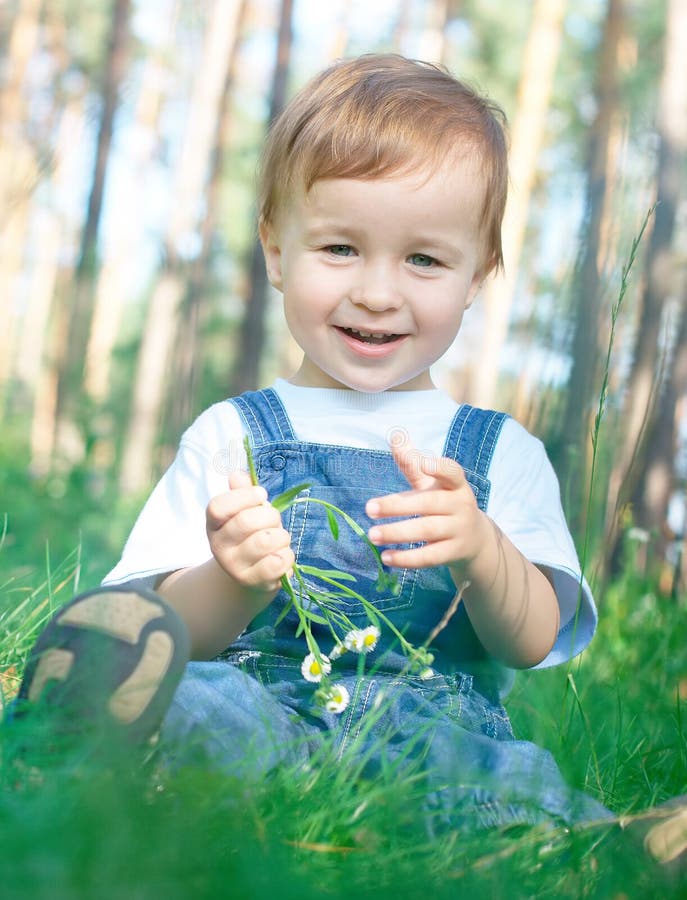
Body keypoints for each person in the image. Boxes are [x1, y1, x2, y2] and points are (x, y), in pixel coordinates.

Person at [15, 53, 686, 861]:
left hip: (432, 726)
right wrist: (228, 579)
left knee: (492, 780)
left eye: (424, 260)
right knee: (197, 706)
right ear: (274, 250)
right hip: (263, 703)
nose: (376, 291)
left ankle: (604, 850)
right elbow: (168, 631)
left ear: (477, 275)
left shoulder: (499, 451)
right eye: (338, 248)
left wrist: (481, 549)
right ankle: (85, 732)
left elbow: (532, 639)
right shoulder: (232, 433)